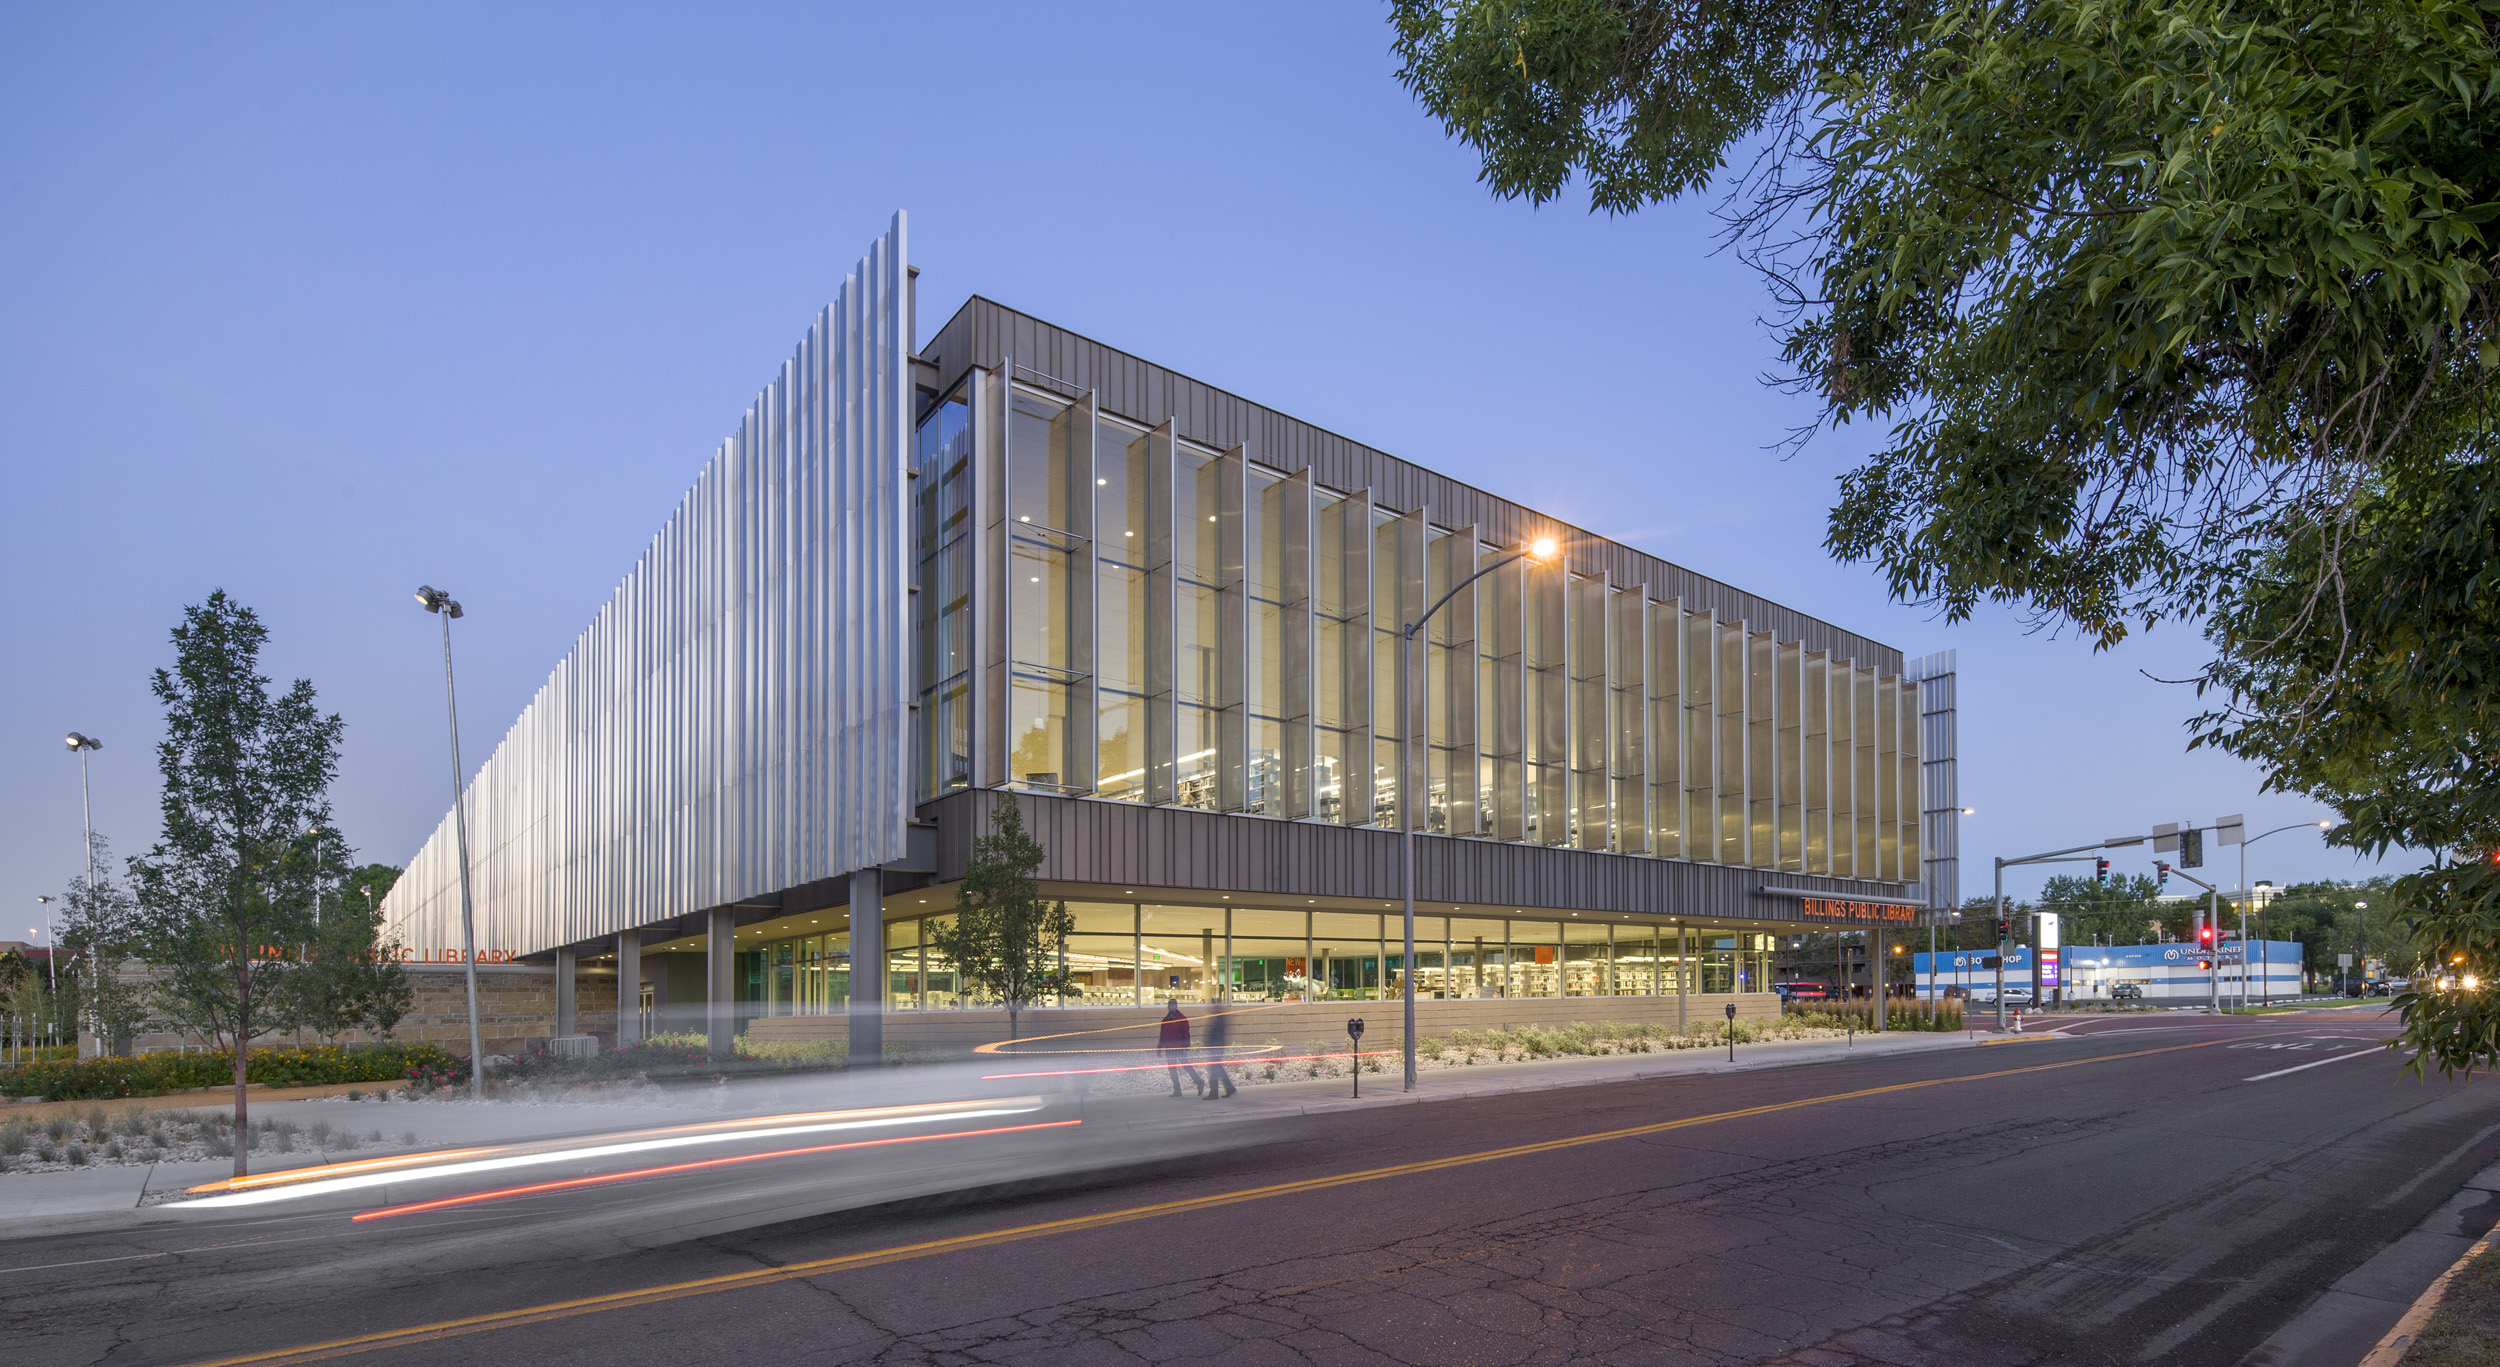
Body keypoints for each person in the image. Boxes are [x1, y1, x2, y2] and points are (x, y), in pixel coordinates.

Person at [1159, 999, 1201, 1098]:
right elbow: (1162, 1035)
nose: (1171, 1007)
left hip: (1179, 1048)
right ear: (1168, 1006)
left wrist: (1186, 1045)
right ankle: (1177, 1090)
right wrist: (1159, 1047)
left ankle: (1199, 1082)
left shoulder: (1182, 1019)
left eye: (1173, 1005)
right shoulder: (1165, 1020)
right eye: (1170, 1005)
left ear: (1176, 1006)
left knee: (1186, 1066)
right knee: (1172, 1070)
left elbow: (1186, 1033)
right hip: (1169, 1049)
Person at [1201, 1000, 1237, 1100]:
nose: (1211, 1008)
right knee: (1218, 1068)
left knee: (1214, 1070)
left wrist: (1211, 1044)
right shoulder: (1218, 1017)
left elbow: (1217, 1034)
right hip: (1216, 1046)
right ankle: (1229, 1088)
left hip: (1216, 1046)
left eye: (1214, 1006)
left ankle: (1214, 1093)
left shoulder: (1219, 1018)